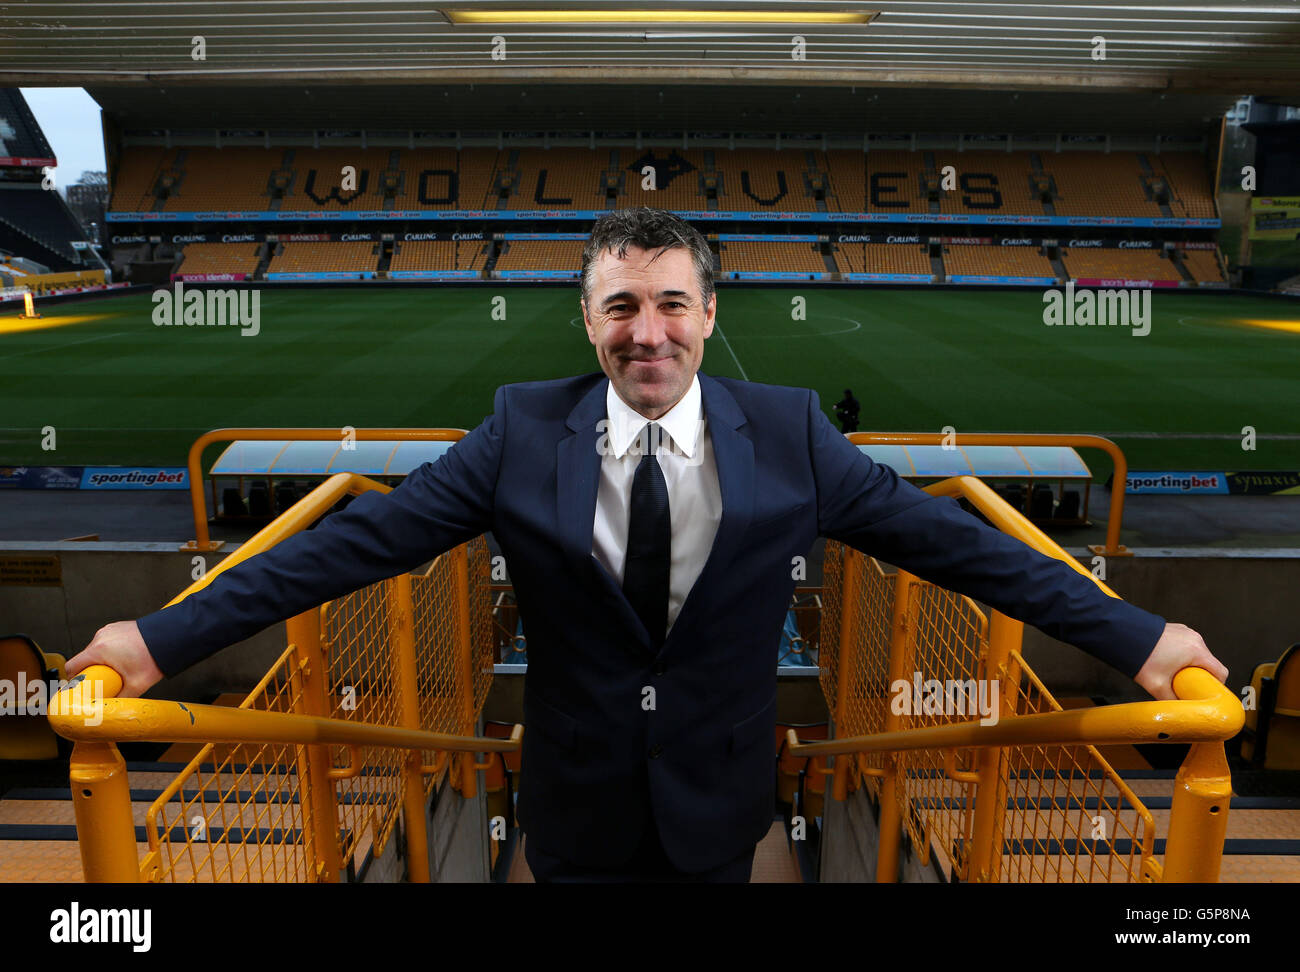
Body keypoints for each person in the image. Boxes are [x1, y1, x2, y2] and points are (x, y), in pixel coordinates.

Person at [68, 206, 1227, 884]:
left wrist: (1140, 636)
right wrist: (158, 637)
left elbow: (955, 546)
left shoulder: (791, 433)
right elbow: (354, 544)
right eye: (621, 307)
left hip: (725, 803)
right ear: (587, 321)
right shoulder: (523, 427)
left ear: (709, 316)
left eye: (671, 304)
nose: (648, 332)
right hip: (571, 806)